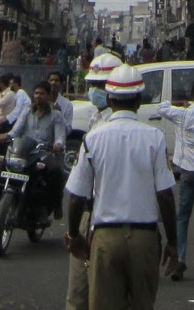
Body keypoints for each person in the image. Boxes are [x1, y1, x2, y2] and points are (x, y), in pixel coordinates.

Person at [64, 63, 178, 310]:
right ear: (138, 101)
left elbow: (76, 197)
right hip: (144, 238)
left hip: (105, 237)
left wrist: (74, 235)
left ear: (109, 99)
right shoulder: (154, 138)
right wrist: (173, 242)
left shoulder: (93, 138)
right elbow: (165, 196)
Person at [63, 53, 119, 310]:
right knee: (79, 294)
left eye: (99, 85)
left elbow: (78, 191)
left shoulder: (112, 127)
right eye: (92, 84)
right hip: (93, 214)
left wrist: (73, 232)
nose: (94, 91)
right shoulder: (96, 118)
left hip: (105, 216)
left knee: (99, 294)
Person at [152, 73, 194, 278]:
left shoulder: (182, 114)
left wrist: (181, 104)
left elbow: (161, 107)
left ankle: (180, 257)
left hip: (187, 169)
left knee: (182, 216)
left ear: (192, 94)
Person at [6, 80, 67, 217]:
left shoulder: (56, 115)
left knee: (55, 172)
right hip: (25, 152)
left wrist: (58, 145)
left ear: (48, 96)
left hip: (44, 154)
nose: (38, 96)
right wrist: (7, 136)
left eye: (42, 93)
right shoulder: (27, 112)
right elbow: (16, 130)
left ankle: (55, 204)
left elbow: (60, 136)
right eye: (36, 93)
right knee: (5, 164)